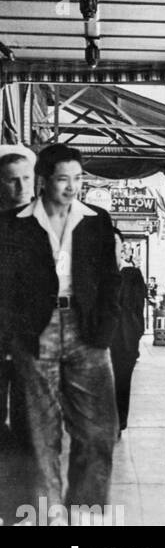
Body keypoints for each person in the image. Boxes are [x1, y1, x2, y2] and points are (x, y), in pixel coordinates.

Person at [0, 142, 121, 516]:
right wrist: (15, 335)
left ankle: (84, 512)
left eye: (78, 178)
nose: (72, 187)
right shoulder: (14, 224)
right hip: (36, 333)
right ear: (43, 181)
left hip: (87, 331)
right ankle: (47, 514)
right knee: (40, 432)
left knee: (98, 430)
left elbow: (110, 279)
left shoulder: (95, 220)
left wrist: (105, 329)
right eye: (63, 179)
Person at [0, 146, 36, 522]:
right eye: (12, 180)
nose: (20, 187)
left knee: (31, 423)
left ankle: (21, 504)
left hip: (32, 341)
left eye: (26, 179)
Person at [109, 231, 148, 437]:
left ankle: (118, 423)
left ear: (122, 248)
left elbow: (138, 307)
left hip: (124, 338)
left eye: (114, 243)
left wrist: (135, 334)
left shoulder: (132, 274)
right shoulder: (96, 273)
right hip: (100, 337)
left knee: (122, 382)